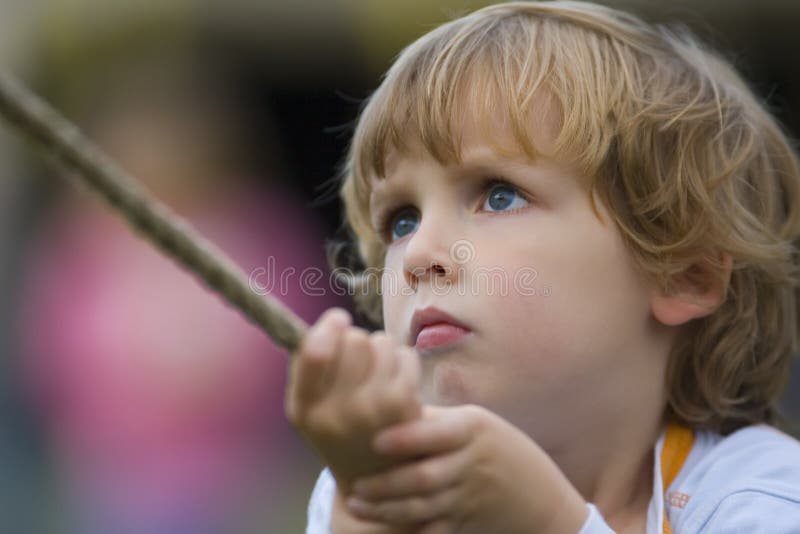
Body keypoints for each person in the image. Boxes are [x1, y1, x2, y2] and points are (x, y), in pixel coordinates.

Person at [286, 1, 800, 532]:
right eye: (402, 221)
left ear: (683, 272)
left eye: (500, 196)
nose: (417, 254)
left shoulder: (762, 496)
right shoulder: (366, 493)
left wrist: (549, 521)